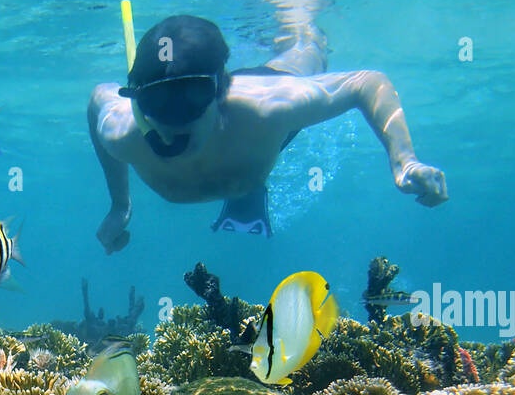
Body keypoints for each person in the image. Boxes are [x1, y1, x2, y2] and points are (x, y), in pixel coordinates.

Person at [89, 12, 447, 250]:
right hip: (241, 135)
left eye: (190, 103)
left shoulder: (270, 109)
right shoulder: (122, 133)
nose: (172, 125)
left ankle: (299, 14)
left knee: (306, 51)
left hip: (264, 93)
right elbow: (97, 100)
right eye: (157, 107)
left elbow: (366, 82)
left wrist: (404, 161)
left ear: (218, 92)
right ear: (137, 102)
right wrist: (119, 205)